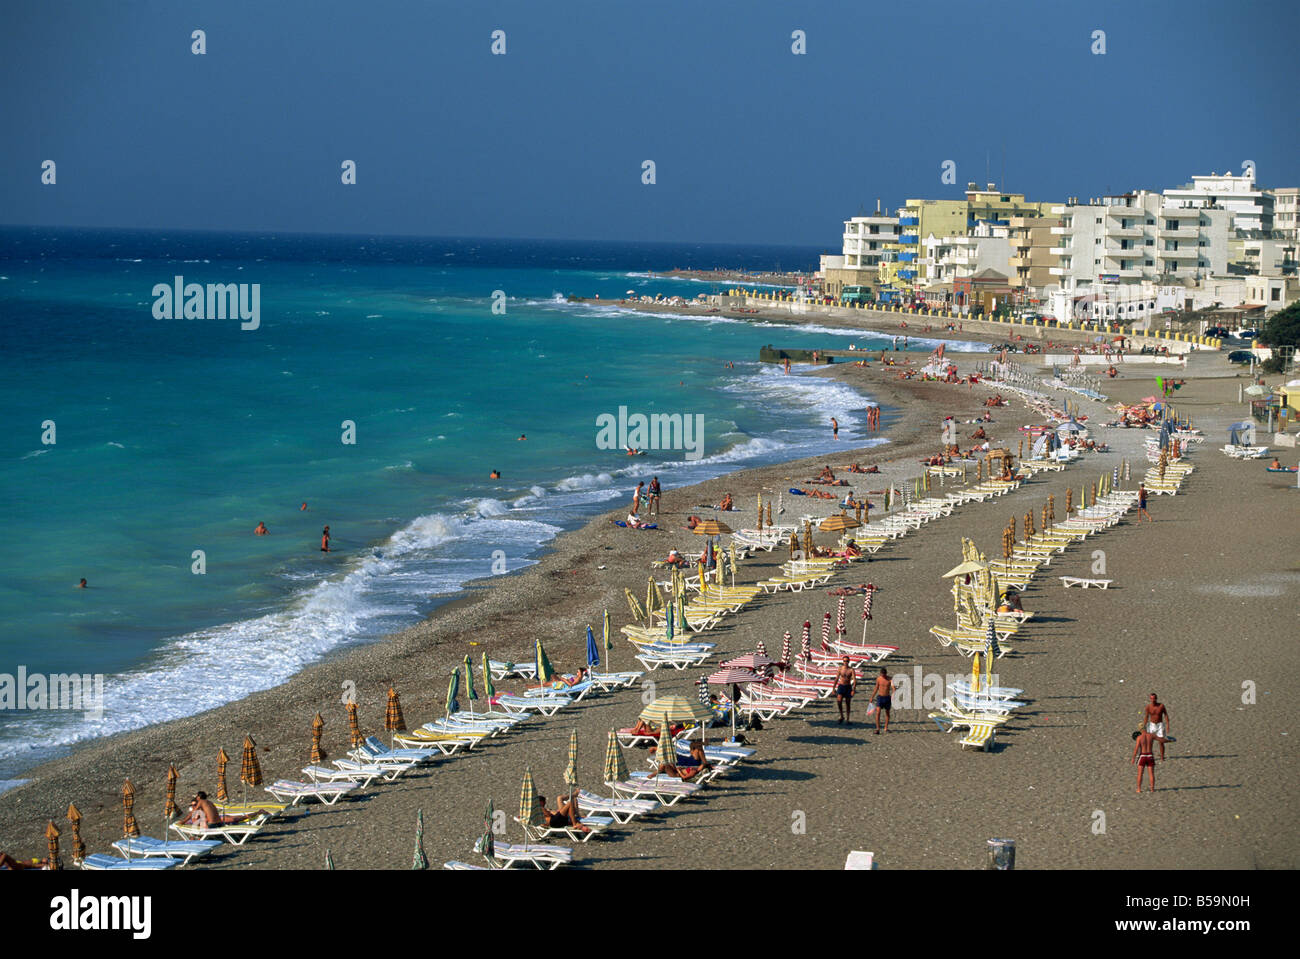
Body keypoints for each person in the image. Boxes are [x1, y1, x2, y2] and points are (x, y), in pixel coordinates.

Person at [1141, 693, 1170, 761]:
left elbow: (1165, 715)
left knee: (1161, 741)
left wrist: (1167, 725)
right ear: (1150, 699)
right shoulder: (1148, 707)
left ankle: (1162, 757)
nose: (1153, 700)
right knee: (1149, 741)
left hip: (1160, 725)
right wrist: (1144, 726)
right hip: (1152, 725)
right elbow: (1146, 717)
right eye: (1152, 698)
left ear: (1156, 698)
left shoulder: (1161, 706)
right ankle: (1150, 756)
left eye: (1154, 698)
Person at [871, 667, 895, 734]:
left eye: (884, 675)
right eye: (882, 675)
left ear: (886, 674)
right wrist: (872, 697)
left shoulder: (890, 679)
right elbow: (876, 688)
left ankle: (886, 728)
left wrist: (893, 695)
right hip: (880, 697)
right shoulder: (879, 679)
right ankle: (877, 728)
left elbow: (893, 688)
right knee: (878, 712)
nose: (883, 676)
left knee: (887, 713)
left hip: (887, 697)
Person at [834, 656, 856, 724]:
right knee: (839, 701)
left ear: (849, 661)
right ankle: (841, 716)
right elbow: (837, 678)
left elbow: (854, 680)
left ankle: (848, 719)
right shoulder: (840, 669)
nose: (845, 662)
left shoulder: (851, 670)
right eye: (844, 661)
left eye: (846, 661)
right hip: (841, 686)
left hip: (848, 687)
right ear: (842, 661)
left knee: (847, 703)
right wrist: (833, 688)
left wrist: (853, 690)